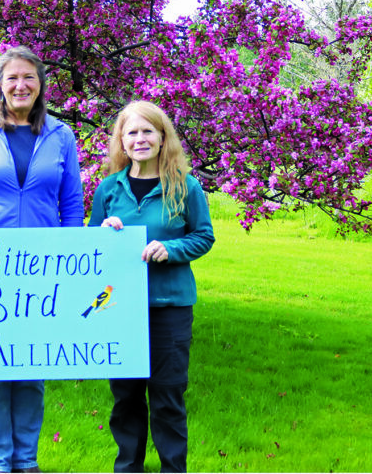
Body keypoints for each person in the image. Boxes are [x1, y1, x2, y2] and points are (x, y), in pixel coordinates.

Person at [0, 45, 85, 474]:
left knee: (31, 369)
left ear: (41, 84)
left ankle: (26, 462)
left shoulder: (61, 135)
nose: (20, 85)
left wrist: (73, 259)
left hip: (43, 269)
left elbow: (72, 203)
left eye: (29, 77)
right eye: (12, 78)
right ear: (0, 86)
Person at [88, 100, 214, 473]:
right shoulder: (108, 189)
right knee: (125, 397)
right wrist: (104, 234)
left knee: (166, 397)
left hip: (168, 308)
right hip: (119, 309)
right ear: (121, 142)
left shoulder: (186, 187)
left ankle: (173, 469)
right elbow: (91, 246)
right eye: (132, 132)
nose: (140, 139)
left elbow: (203, 236)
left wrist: (171, 248)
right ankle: (128, 468)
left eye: (148, 131)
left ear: (162, 138)